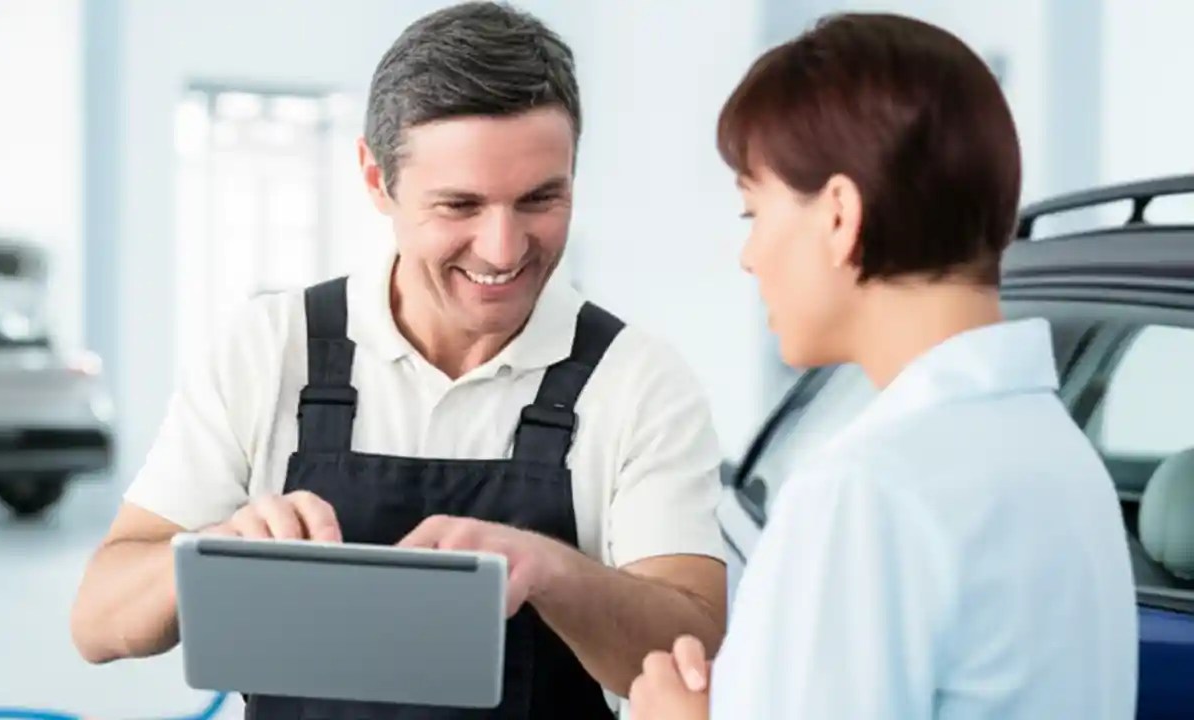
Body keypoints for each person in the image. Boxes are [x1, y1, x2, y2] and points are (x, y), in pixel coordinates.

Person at [70, 3, 727, 718]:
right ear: (375, 178)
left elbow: (695, 652)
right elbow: (98, 623)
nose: (503, 249)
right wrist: (215, 551)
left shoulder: (638, 382)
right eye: (459, 206)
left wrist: (550, 570)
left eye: (541, 199)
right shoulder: (268, 348)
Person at [628, 13, 1137, 720]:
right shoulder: (1064, 458)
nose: (749, 256)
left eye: (753, 213)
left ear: (839, 215)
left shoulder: (866, 491)